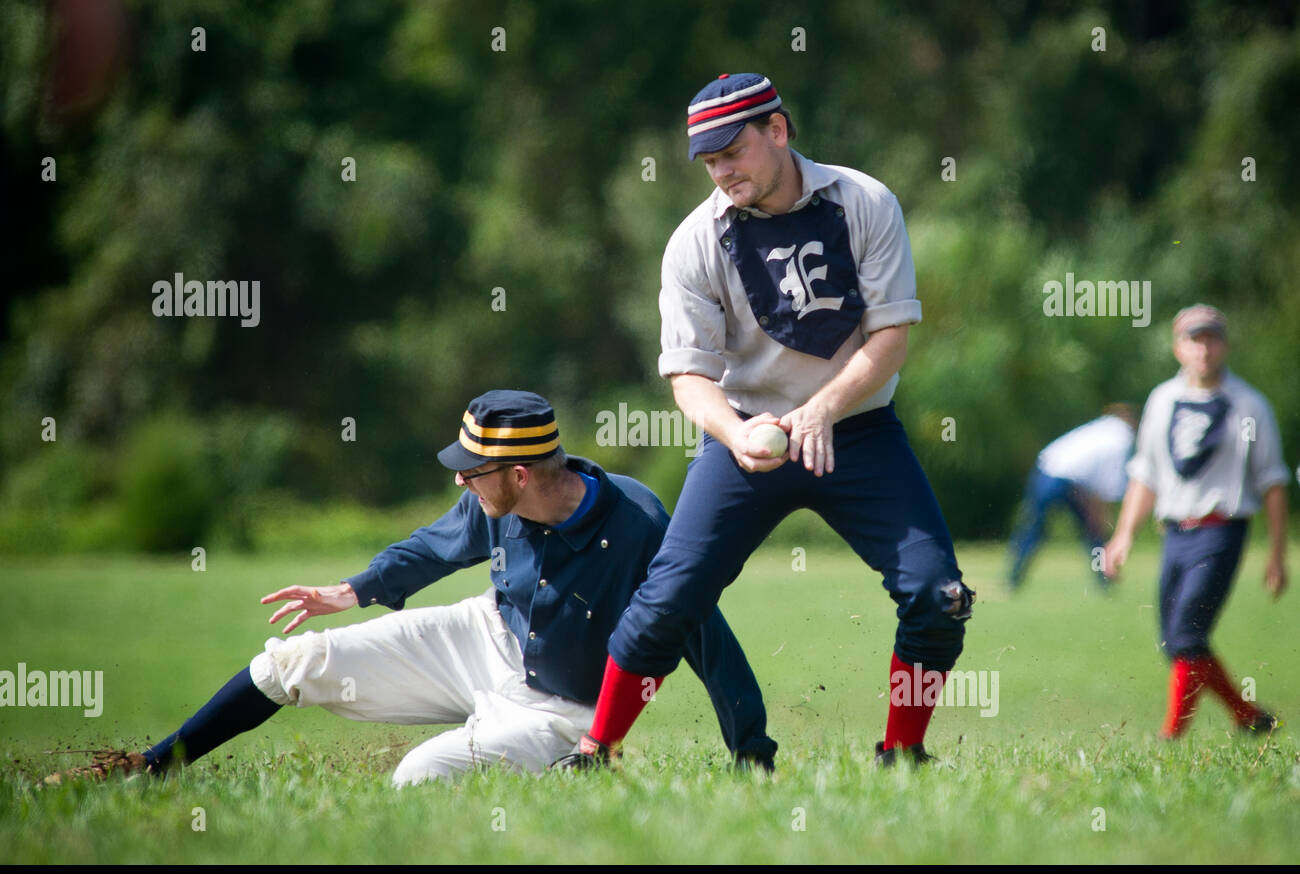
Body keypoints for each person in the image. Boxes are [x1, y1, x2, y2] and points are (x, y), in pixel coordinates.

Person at [44, 391, 778, 786]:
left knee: (418, 778)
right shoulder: (494, 498)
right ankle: (153, 767)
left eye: (472, 467)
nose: (460, 477)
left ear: (520, 474)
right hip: (484, 638)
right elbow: (436, 546)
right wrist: (353, 588)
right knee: (290, 661)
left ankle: (578, 771)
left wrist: (752, 754)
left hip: (565, 709)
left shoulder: (640, 524)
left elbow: (705, 634)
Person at [570, 73, 975, 769]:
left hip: (858, 430)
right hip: (744, 438)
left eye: (733, 150)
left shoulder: (865, 202)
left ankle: (903, 754)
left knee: (939, 596)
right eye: (709, 160)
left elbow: (891, 339)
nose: (722, 170)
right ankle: (593, 750)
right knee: (668, 598)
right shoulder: (693, 242)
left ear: (778, 130)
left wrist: (821, 409)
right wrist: (733, 433)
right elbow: (689, 378)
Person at [1103, 305, 1288, 738]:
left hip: (1222, 529)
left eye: (1211, 338)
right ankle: (1249, 717)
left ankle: (1171, 737)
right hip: (1175, 533)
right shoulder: (1163, 400)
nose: (1203, 349)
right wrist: (1123, 535)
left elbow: (1273, 483)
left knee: (1187, 634)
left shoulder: (1248, 406)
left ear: (1224, 345)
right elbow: (1145, 473)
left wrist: (1277, 555)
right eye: (1194, 339)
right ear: (1178, 347)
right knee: (1177, 642)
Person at [1007, 404, 1138, 589]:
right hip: (1063, 479)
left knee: (1033, 527)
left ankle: (1013, 577)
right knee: (1093, 532)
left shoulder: (1101, 427)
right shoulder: (1121, 439)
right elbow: (1105, 489)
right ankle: (1104, 577)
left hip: (1047, 469)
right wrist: (1101, 520)